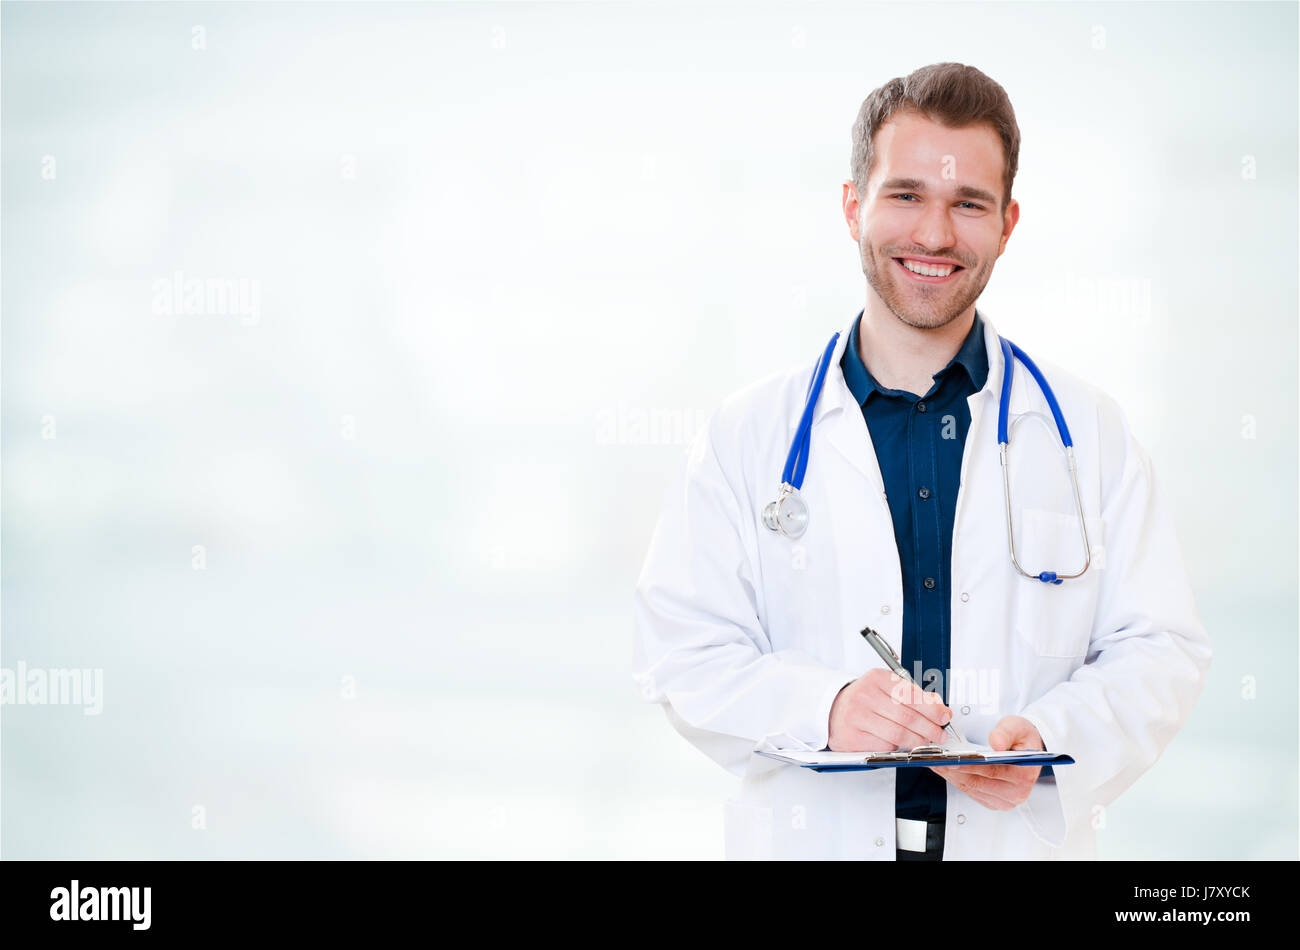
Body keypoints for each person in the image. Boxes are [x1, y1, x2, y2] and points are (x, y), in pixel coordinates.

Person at [632, 62, 1211, 860]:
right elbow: (682, 651)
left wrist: (1050, 738)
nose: (935, 236)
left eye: (967, 204)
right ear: (852, 206)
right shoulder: (746, 436)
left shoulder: (1089, 433)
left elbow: (1161, 649)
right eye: (905, 194)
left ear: (1007, 224)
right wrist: (825, 706)